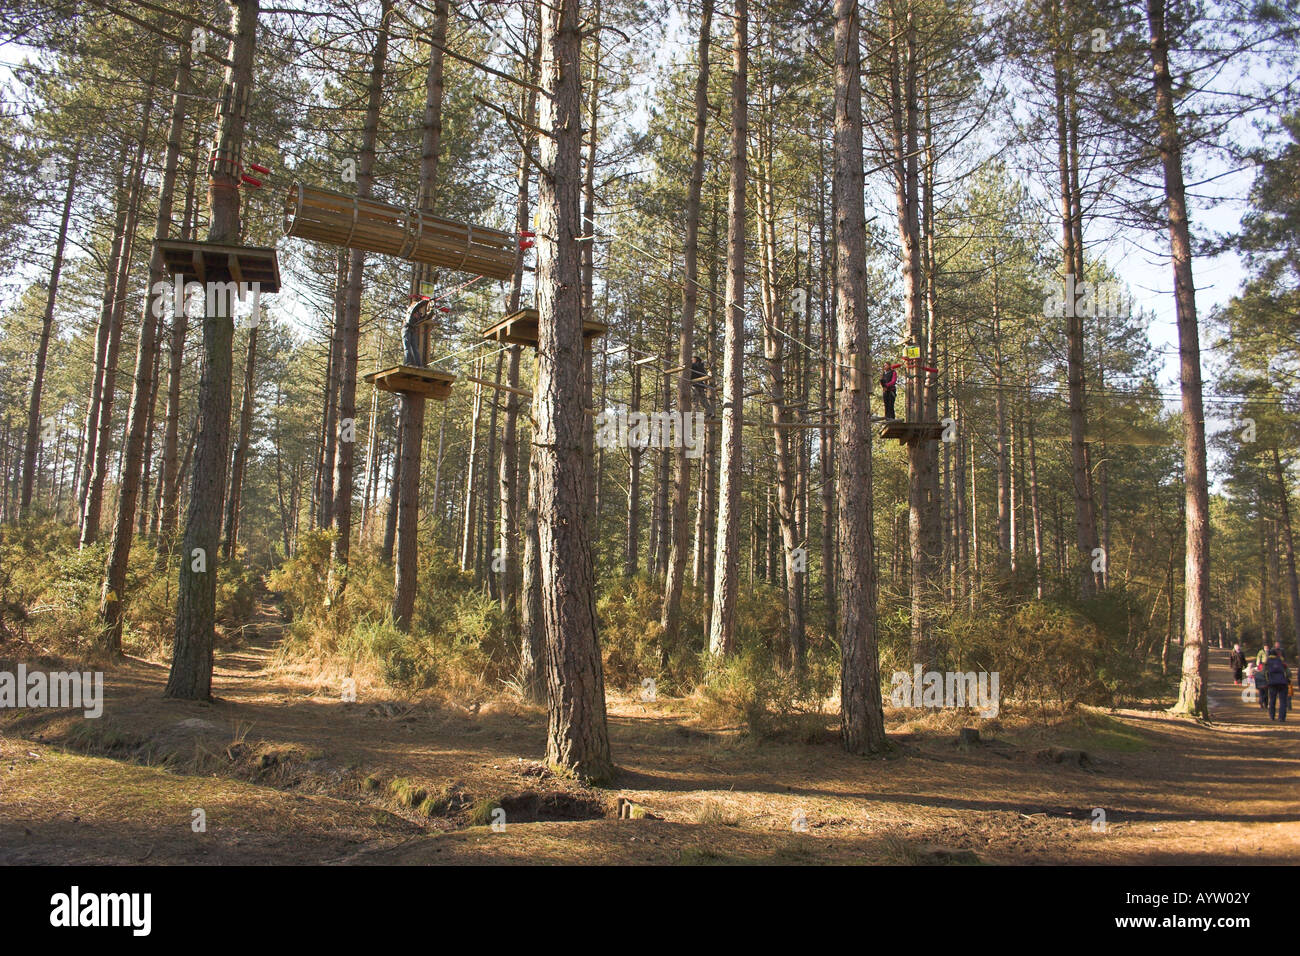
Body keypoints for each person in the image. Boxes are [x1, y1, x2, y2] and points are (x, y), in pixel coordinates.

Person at [1265, 647, 1290, 721]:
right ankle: (1281, 717)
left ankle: (1272, 716)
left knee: (1272, 700)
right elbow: (1288, 673)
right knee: (1283, 701)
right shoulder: (1281, 661)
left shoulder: (1267, 662)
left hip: (1272, 683)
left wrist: (1267, 682)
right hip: (1282, 683)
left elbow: (1264, 673)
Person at [403, 297, 429, 368]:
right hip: (406, 330)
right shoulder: (410, 312)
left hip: (412, 330)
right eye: (417, 313)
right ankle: (407, 363)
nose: (418, 314)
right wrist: (426, 301)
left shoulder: (416, 316)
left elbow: (426, 318)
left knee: (415, 348)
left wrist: (432, 310)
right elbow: (417, 306)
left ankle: (419, 365)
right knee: (407, 347)